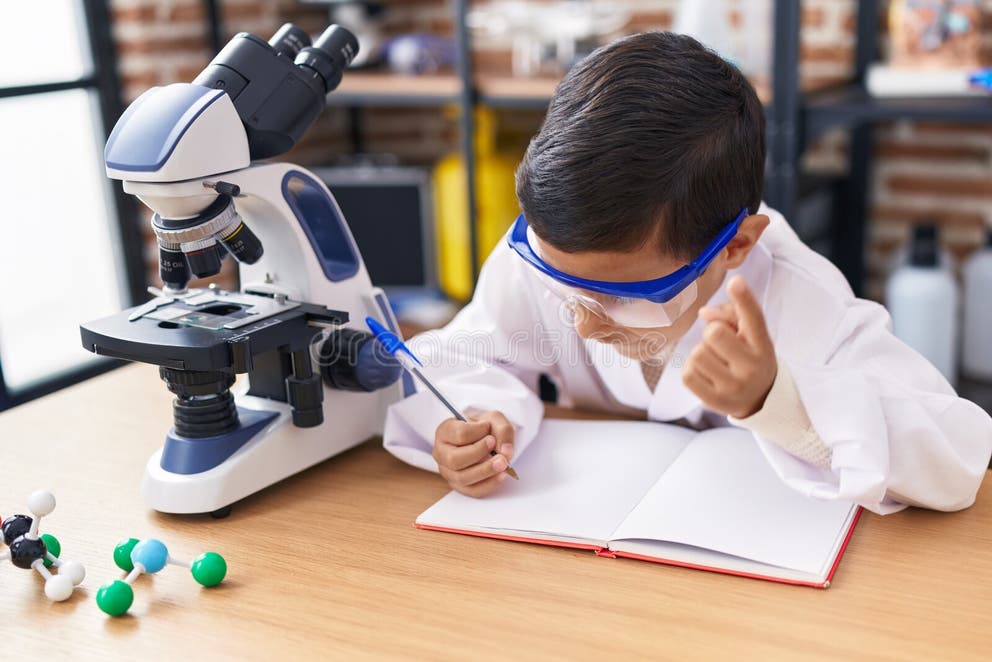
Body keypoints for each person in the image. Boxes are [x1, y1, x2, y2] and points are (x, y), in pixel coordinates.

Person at [381, 31, 992, 513]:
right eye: (559, 283)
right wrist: (474, 422)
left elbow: (959, 458)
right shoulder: (550, 254)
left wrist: (775, 400)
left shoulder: (798, 297)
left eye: (625, 297)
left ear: (736, 247)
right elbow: (464, 355)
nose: (586, 325)